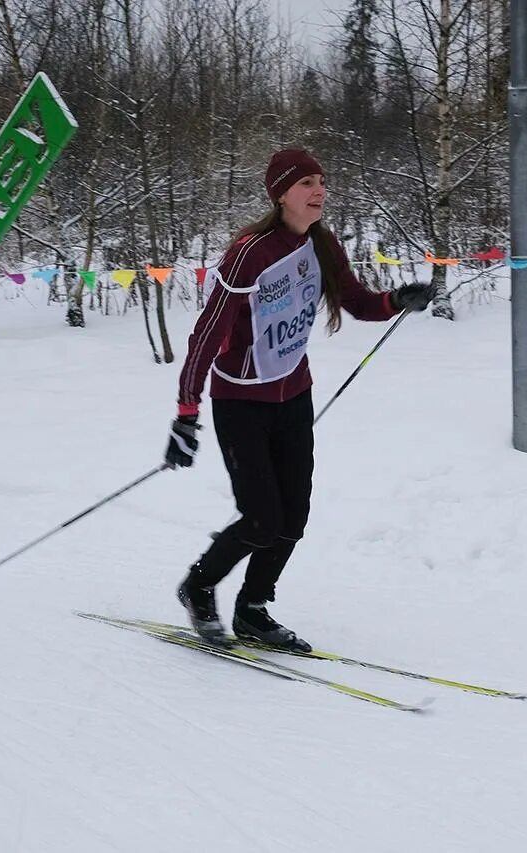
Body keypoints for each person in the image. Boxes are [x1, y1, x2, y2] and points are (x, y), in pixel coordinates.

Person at [164, 148, 433, 651]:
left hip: (294, 393)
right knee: (262, 517)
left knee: (294, 515)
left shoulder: (323, 244)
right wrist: (186, 411)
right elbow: (207, 333)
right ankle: (198, 586)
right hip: (241, 400)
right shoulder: (250, 252)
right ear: (281, 193)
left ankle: (253, 610)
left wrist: (396, 300)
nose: (319, 191)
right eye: (307, 182)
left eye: (322, 182)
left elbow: (357, 302)